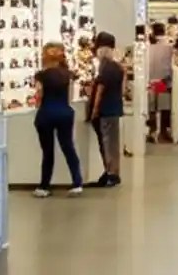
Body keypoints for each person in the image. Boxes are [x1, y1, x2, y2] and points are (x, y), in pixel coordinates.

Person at [33, 43, 83, 196]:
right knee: (68, 147)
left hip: (46, 113)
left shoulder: (41, 75)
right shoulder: (68, 74)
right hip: (64, 112)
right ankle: (77, 182)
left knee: (48, 152)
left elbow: (39, 95)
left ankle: (44, 186)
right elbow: (70, 96)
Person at [88, 32, 124, 188]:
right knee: (112, 143)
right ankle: (111, 171)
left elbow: (100, 90)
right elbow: (122, 89)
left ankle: (111, 173)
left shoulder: (104, 68)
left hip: (106, 110)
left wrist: (94, 110)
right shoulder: (118, 67)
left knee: (107, 142)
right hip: (114, 108)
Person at [146, 22, 173, 143]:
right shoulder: (168, 46)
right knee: (163, 107)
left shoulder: (148, 46)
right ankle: (163, 132)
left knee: (152, 107)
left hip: (151, 80)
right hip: (163, 80)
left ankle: (151, 131)